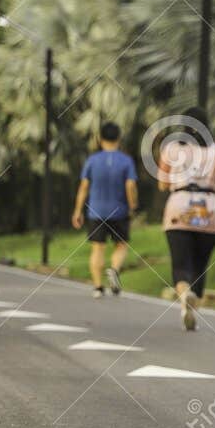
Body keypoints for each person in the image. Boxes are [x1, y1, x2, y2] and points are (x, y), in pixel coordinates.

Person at [157, 107, 215, 332]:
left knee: (181, 263)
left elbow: (163, 183)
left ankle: (185, 295)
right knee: (200, 264)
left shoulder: (172, 149)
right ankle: (192, 305)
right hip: (210, 210)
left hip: (179, 208)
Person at [72, 122, 139, 298]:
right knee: (121, 245)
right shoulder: (126, 160)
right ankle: (114, 269)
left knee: (98, 248)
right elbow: (130, 185)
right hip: (119, 211)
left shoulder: (92, 160)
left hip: (96, 211)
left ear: (100, 139)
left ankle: (97, 287)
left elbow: (84, 186)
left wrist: (78, 210)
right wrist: (132, 204)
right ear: (119, 138)